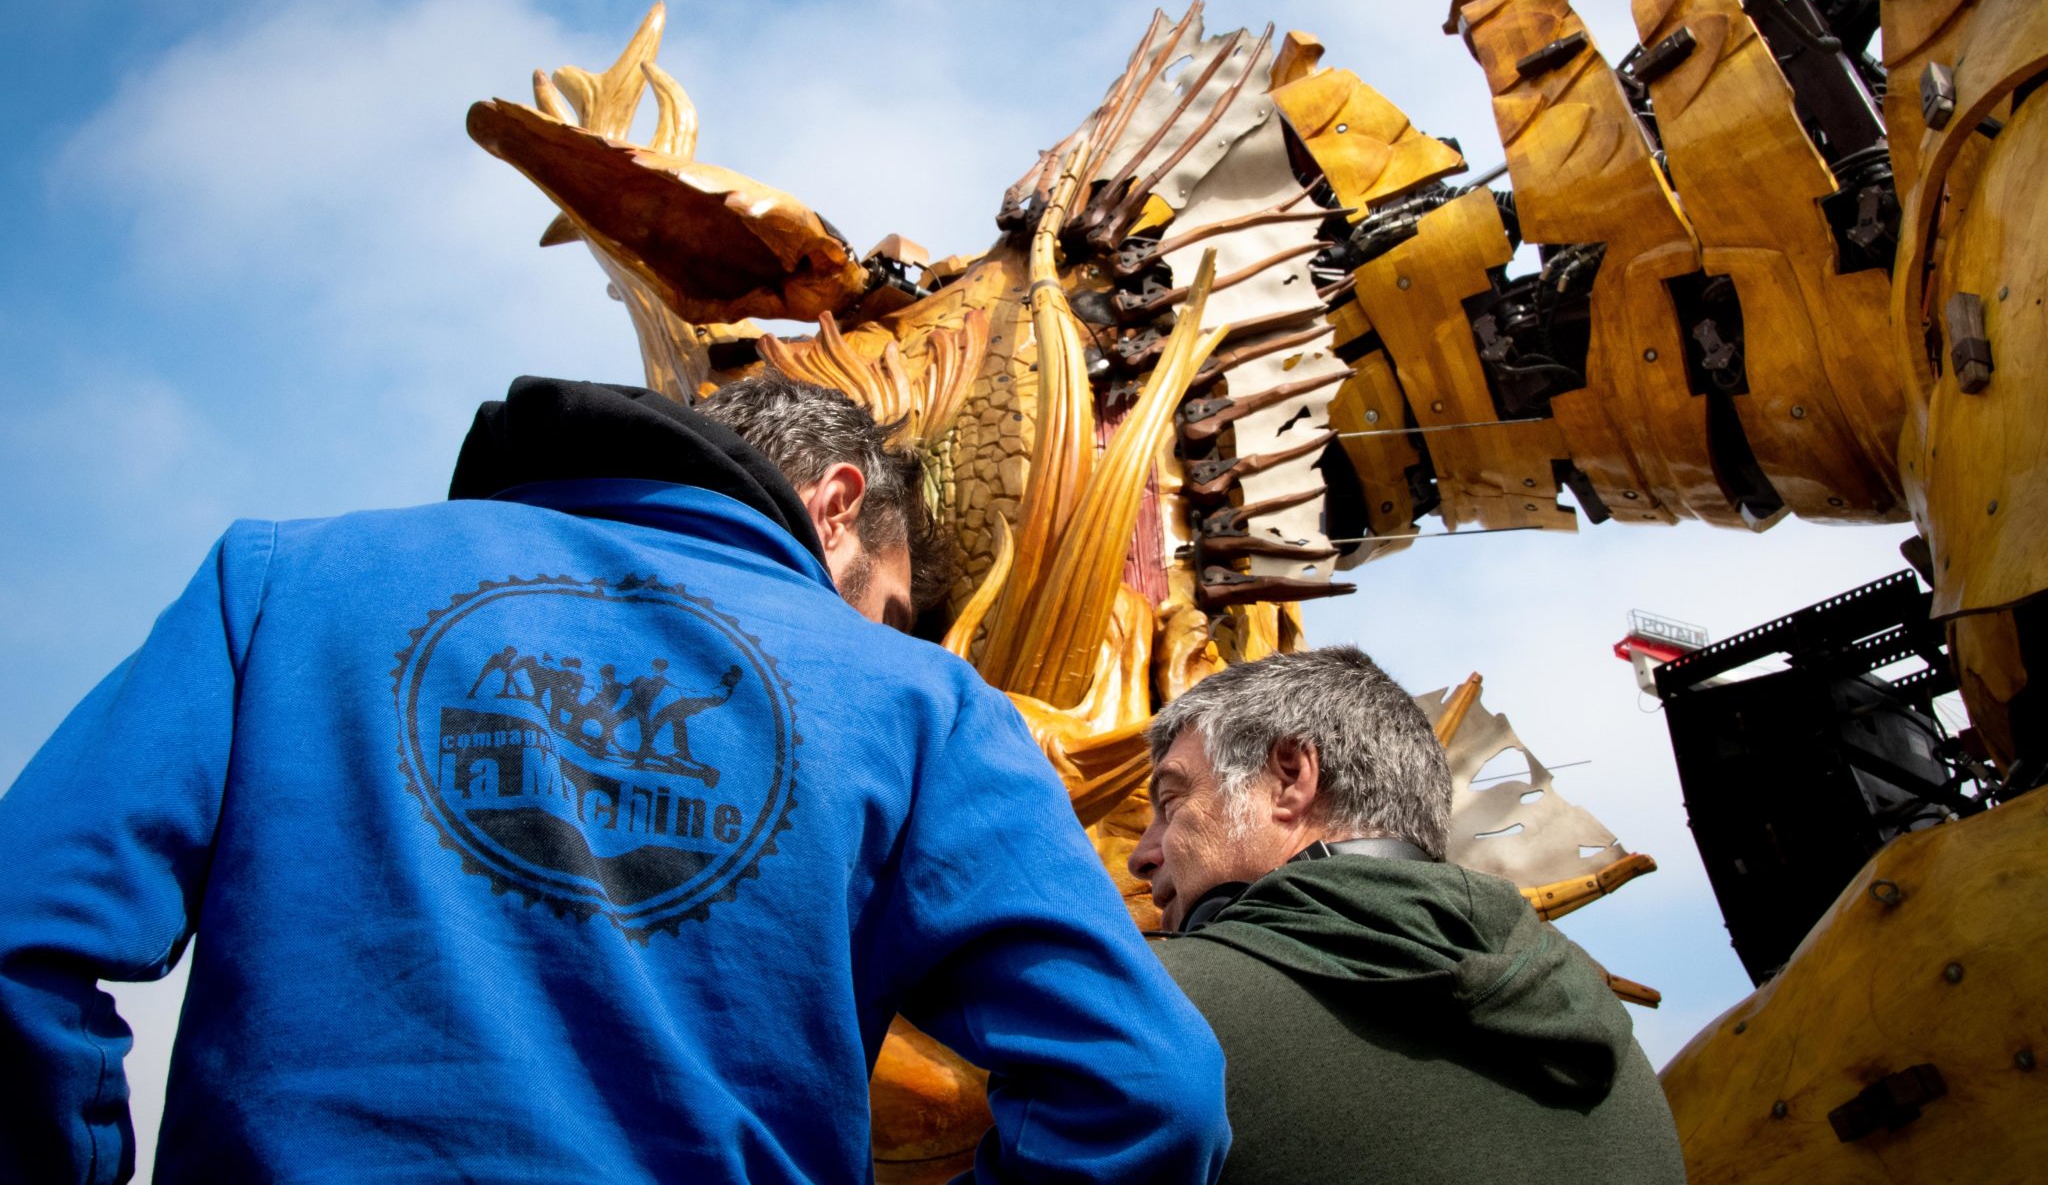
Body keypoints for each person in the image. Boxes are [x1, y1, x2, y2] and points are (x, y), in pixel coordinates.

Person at [0, 373, 1229, 1184]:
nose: (890, 636)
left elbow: (21, 936)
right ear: (834, 507)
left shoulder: (285, 581)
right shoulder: (917, 703)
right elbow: (1148, 1090)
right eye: (897, 605)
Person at [1129, 646, 1684, 1184]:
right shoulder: (1626, 1073)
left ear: (1291, 778)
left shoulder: (1155, 1011)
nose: (1141, 855)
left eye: (1172, 802)